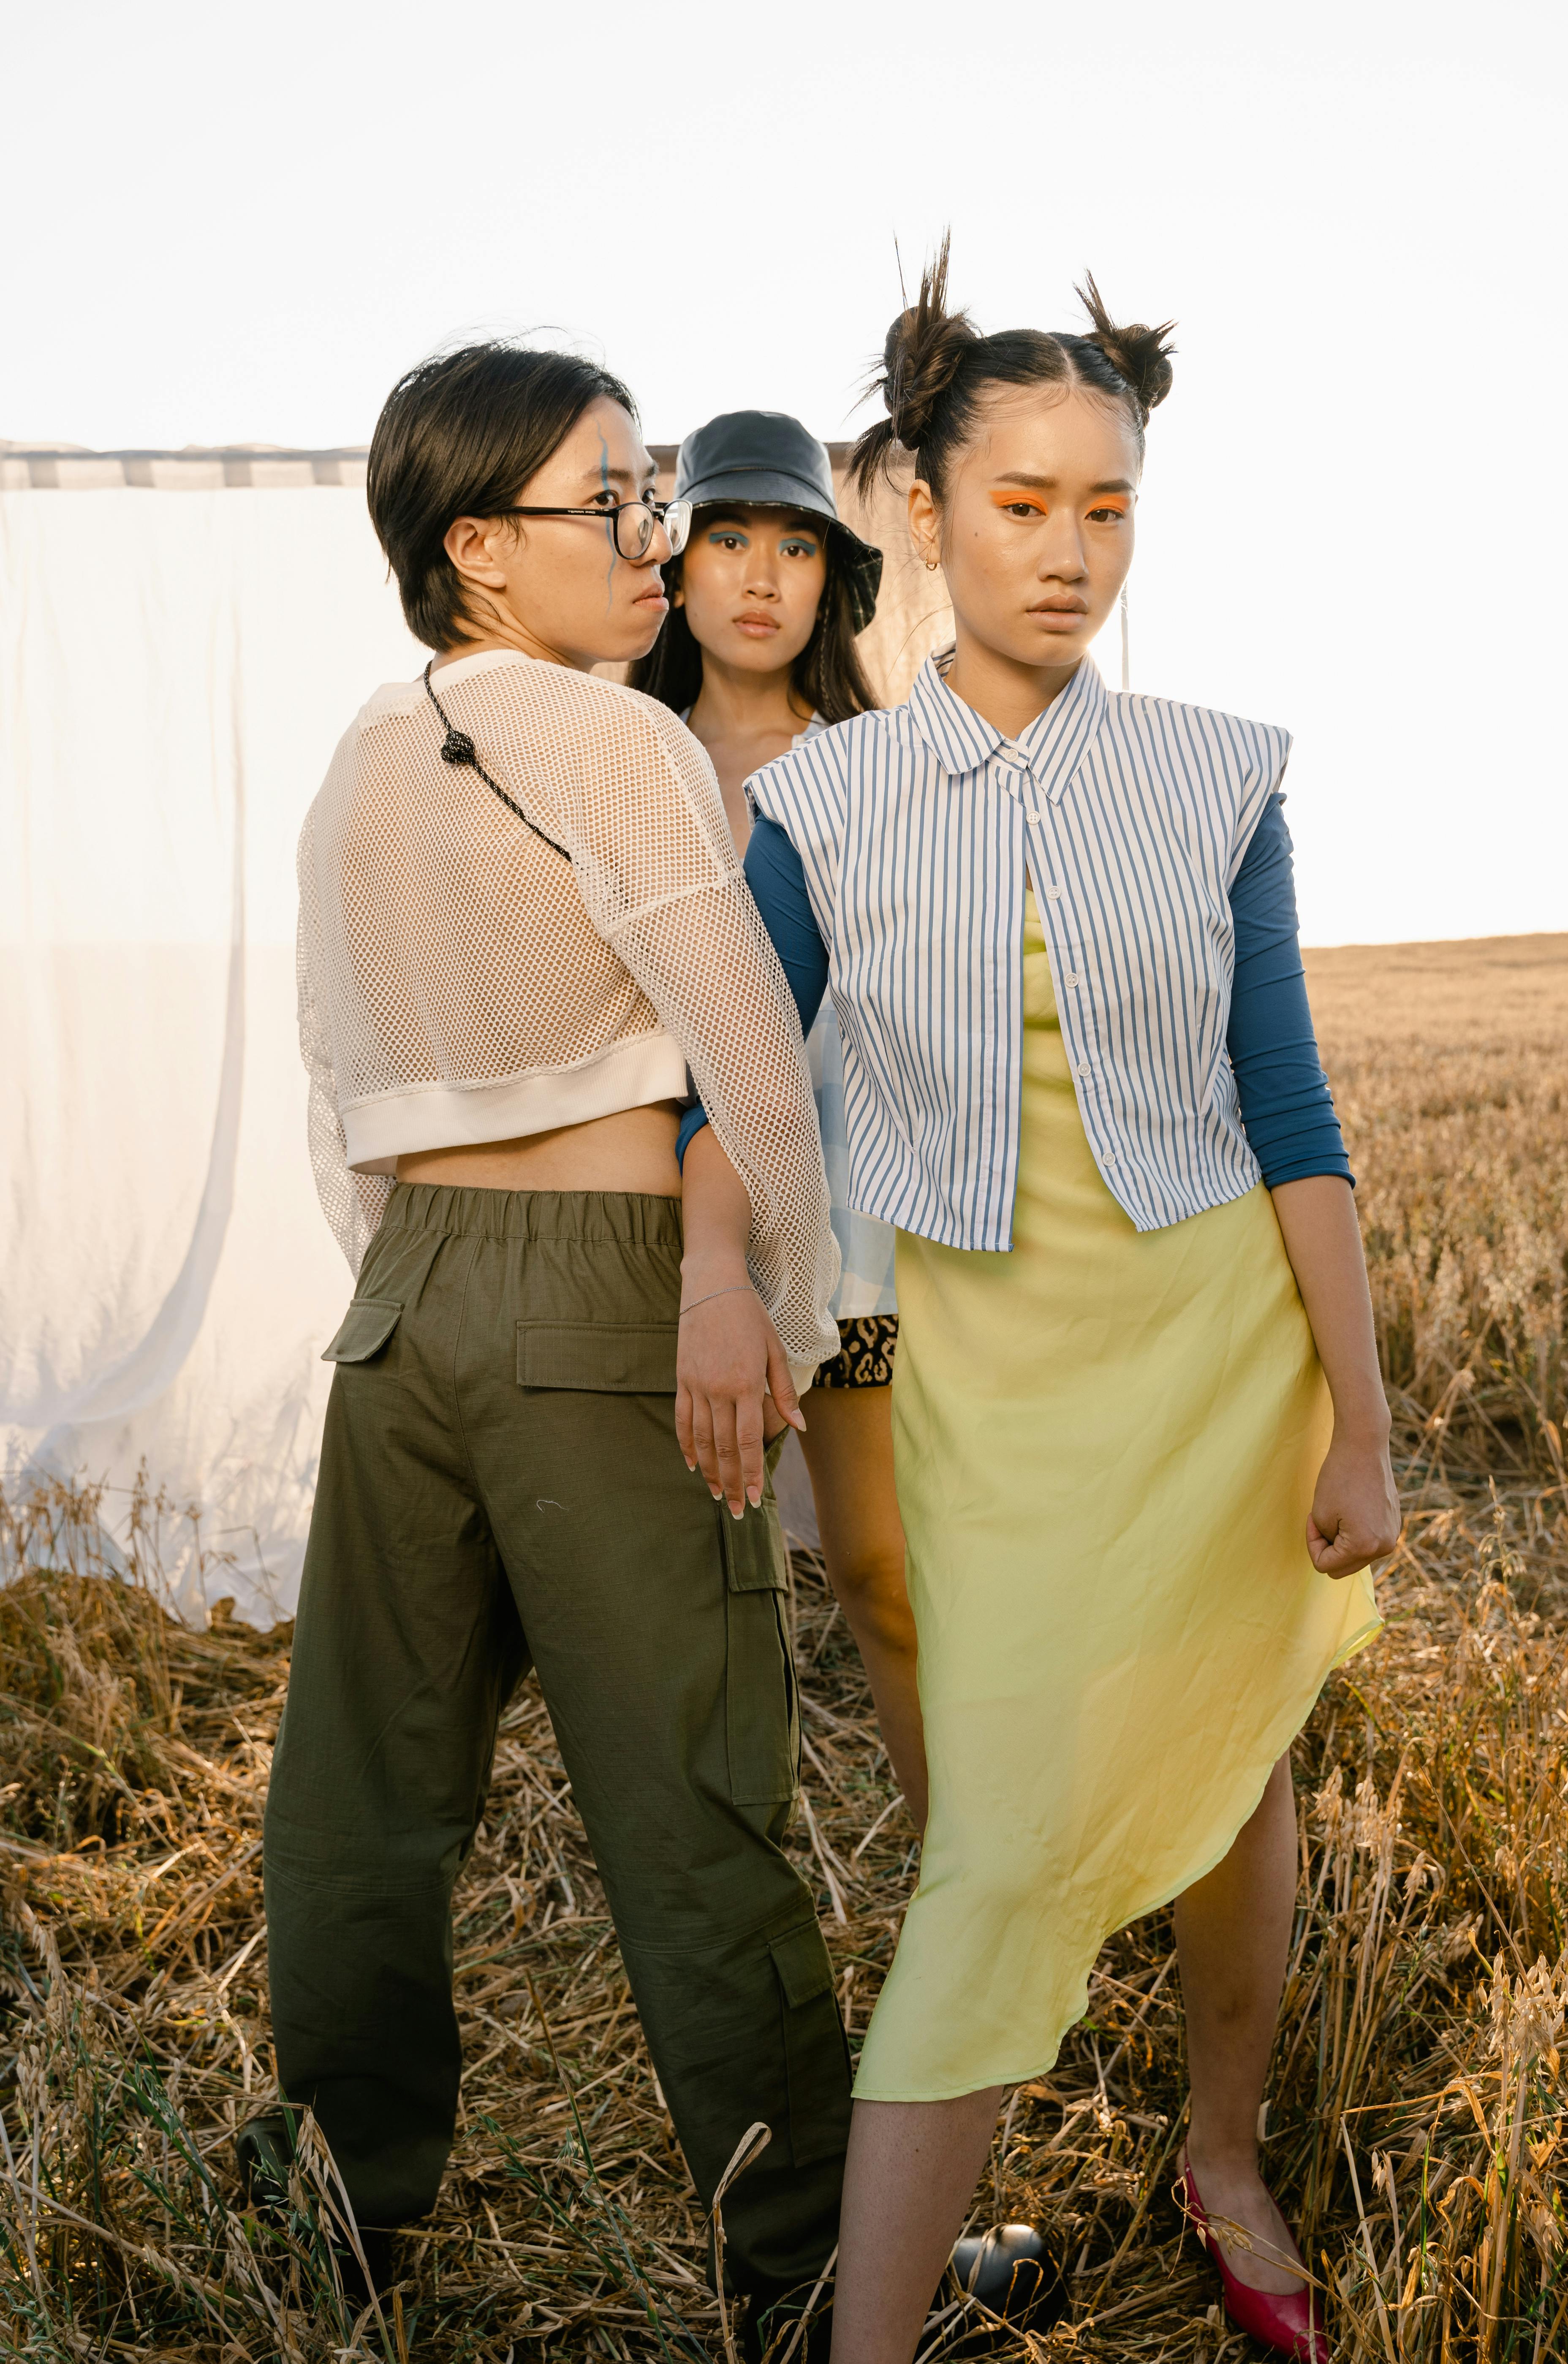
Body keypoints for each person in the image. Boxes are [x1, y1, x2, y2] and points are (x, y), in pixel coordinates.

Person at [681, 249, 1399, 2363]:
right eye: (1022, 504)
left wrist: (1356, 1413)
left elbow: (1294, 1110)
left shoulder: (1220, 774)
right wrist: (717, 1272)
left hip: (1216, 1369)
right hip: (988, 1385)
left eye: (1109, 505)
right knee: (997, 1850)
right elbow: (752, 1078)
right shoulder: (823, 804)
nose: (1072, 551)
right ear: (917, 499)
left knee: (1234, 1765)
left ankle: (1227, 2149)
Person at [250, 340, 855, 2357]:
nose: (654, 535)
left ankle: (337, 2234)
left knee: (359, 1800)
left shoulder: (357, 751)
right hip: (603, 1290)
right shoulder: (614, 739)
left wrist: (421, 1274)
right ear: (480, 545)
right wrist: (794, 1315)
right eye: (616, 497)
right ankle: (816, 2278)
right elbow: (751, 1061)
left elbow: (337, 1081)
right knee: (694, 1798)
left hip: (406, 1298)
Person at [631, 411, 928, 1826]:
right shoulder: (618, 760)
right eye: (730, 538)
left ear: (831, 583)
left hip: (852, 1219)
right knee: (679, 1593)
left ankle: (959, 1902)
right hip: (645, 1212)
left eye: (796, 545)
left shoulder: (882, 766)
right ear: (676, 566)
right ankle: (720, 1897)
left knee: (882, 1574)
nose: (760, 575)